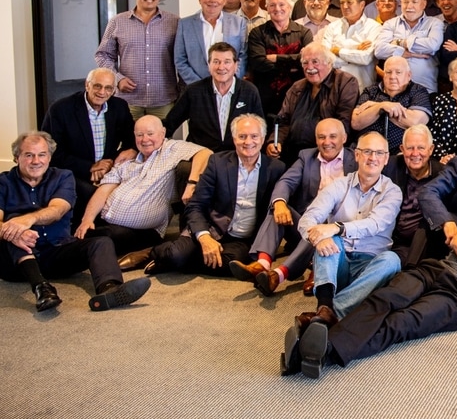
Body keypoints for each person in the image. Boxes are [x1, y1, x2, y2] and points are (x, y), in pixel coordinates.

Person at [283, 177, 457, 380]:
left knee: (404, 322)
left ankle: (322, 351)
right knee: (386, 298)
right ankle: (317, 345)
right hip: (438, 269)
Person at [0, 131, 150, 313]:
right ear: (17, 158)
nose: (36, 161)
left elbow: (58, 210)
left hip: (57, 251)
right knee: (13, 233)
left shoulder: (62, 177)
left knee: (100, 242)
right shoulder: (4, 182)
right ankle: (42, 289)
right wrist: (15, 230)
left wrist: (26, 220)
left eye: (42, 155)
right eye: (29, 155)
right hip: (16, 264)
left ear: (49, 157)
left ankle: (110, 289)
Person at [144, 114, 287, 276]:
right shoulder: (217, 162)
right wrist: (204, 237)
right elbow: (196, 205)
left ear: (262, 139)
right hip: (210, 228)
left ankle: (174, 261)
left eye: (254, 136)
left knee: (234, 263)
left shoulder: (276, 168)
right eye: (242, 136)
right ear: (234, 139)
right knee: (177, 255)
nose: (248, 142)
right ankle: (157, 254)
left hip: (241, 240)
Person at [229, 118, 356, 295]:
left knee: (318, 230)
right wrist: (280, 202)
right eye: (321, 137)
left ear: (344, 138)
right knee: (278, 209)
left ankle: (278, 275)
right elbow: (286, 182)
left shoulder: (356, 159)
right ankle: (262, 264)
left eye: (332, 136)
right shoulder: (307, 157)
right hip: (306, 224)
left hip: (337, 231)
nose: (327, 142)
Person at [292, 131, 403, 323]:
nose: (372, 158)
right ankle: (326, 306)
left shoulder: (392, 192)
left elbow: (375, 224)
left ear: (386, 159)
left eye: (379, 153)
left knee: (392, 261)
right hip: (337, 263)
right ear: (357, 155)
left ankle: (330, 311)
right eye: (367, 151)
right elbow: (307, 219)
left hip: (369, 268)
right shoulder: (339, 186)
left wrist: (337, 227)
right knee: (327, 239)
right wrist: (318, 237)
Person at [74, 115, 211, 265]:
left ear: (163, 133)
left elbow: (205, 153)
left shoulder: (172, 149)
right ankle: (73, 233)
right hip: (106, 216)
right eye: (140, 135)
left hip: (144, 231)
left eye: (150, 134)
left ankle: (73, 239)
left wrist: (192, 183)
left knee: (106, 235)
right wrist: (87, 219)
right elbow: (104, 189)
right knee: (74, 184)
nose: (145, 139)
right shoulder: (129, 160)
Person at [41, 67, 135, 223]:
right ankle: (87, 233)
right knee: (92, 194)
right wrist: (90, 167)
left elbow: (130, 140)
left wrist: (109, 163)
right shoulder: (61, 109)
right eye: (97, 86)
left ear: (113, 90)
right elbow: (51, 153)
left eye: (108, 88)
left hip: (108, 170)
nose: (102, 92)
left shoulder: (119, 106)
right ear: (87, 85)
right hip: (72, 171)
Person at [94, 0, 179, 120]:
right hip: (127, 101)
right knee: (127, 142)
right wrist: (117, 79)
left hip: (163, 100)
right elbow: (103, 55)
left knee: (161, 142)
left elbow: (182, 57)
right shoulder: (117, 21)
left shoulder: (174, 22)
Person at [267, 43, 359, 164]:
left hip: (326, 154)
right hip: (293, 152)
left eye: (315, 62)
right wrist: (275, 141)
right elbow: (283, 120)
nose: (309, 67)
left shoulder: (345, 82)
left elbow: (343, 124)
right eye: (305, 63)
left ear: (329, 63)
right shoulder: (297, 87)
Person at [165, 42, 264, 153]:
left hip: (236, 156)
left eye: (227, 62)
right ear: (209, 65)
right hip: (201, 156)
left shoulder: (249, 91)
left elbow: (260, 129)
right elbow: (169, 124)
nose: (221, 67)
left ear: (236, 65)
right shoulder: (193, 91)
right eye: (216, 62)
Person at [383, 123, 444, 265]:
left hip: (423, 245)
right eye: (410, 148)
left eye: (421, 148)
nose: (415, 153)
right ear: (402, 150)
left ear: (431, 150)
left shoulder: (442, 175)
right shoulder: (389, 166)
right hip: (389, 239)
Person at [246, 0, 313, 118]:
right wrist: (294, 64)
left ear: (289, 7)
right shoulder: (257, 33)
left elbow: (308, 61)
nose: (277, 9)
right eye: (272, 5)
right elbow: (258, 63)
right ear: (267, 8)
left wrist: (276, 58)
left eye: (281, 4)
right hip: (265, 99)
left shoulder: (304, 33)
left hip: (297, 97)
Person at [351, 55, 432, 154]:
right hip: (367, 151)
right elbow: (356, 122)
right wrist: (381, 106)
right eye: (388, 72)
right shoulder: (371, 91)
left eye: (398, 72)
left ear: (408, 75)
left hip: (400, 154)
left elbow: (415, 122)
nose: (392, 77)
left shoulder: (418, 91)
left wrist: (375, 108)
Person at [174, 0, 248, 84]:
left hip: (228, 87)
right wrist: (198, 85)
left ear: (224, 0)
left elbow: (242, 55)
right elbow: (180, 59)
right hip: (195, 89)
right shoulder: (185, 24)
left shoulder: (239, 23)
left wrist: (231, 80)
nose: (213, 0)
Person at [374, 0, 444, 94]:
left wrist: (400, 42)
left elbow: (432, 45)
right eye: (406, 2)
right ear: (401, 3)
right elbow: (379, 50)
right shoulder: (390, 24)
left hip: (425, 89)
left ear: (424, 4)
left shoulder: (435, 23)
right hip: (394, 90)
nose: (409, 6)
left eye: (414, 2)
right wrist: (405, 53)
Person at [323, 0, 382, 90]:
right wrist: (354, 50)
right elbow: (324, 59)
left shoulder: (374, 27)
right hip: (333, 88)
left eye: (349, 2)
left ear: (362, 5)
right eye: (342, 3)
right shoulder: (332, 27)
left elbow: (365, 58)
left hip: (362, 89)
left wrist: (338, 51)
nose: (345, 6)